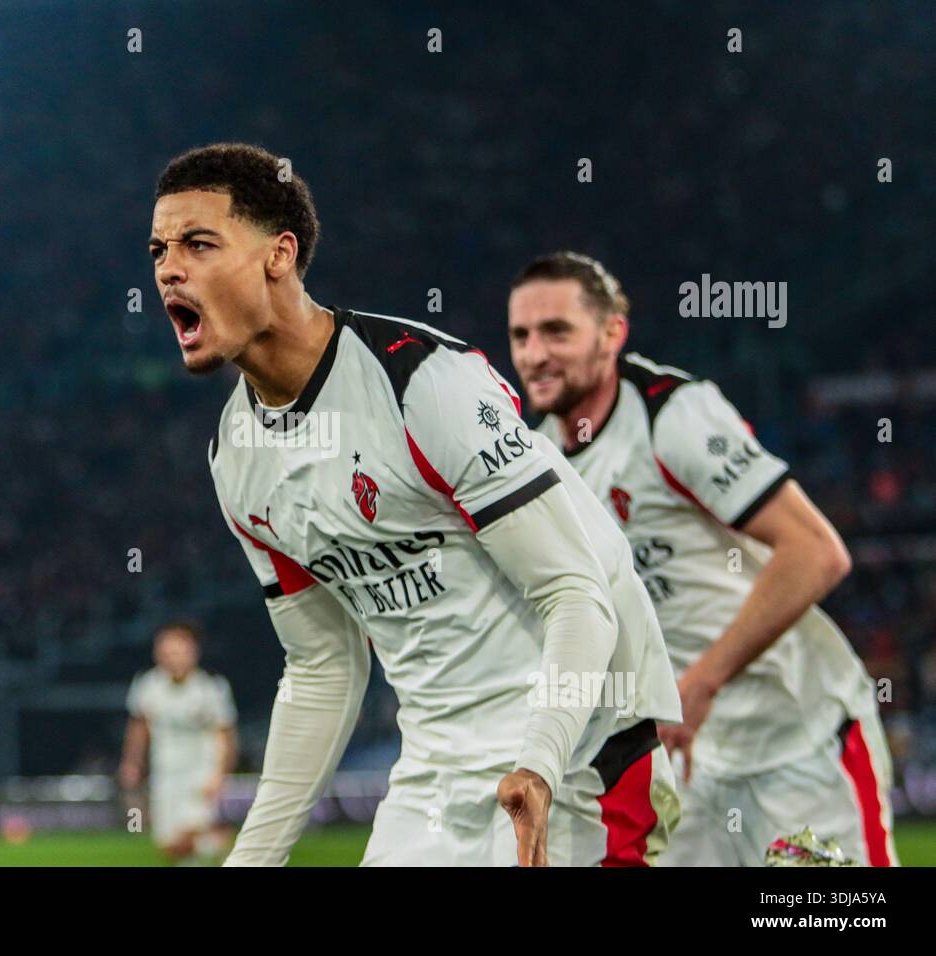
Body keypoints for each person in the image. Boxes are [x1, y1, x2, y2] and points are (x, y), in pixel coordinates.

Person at [148, 143, 681, 866]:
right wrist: (253, 858)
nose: (169, 268)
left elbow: (576, 592)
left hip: (582, 749)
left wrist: (539, 763)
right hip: (436, 774)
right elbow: (323, 666)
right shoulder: (235, 460)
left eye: (198, 244)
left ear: (279, 254)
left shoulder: (423, 382)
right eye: (158, 250)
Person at [507, 251, 896, 866]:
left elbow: (816, 553)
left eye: (557, 331)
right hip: (683, 760)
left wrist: (700, 683)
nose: (534, 354)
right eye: (521, 335)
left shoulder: (673, 416)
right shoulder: (533, 460)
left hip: (797, 740)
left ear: (612, 332)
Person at [119, 620, 237, 864]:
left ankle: (232, 846)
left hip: (200, 772)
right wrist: (132, 763)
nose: (174, 657)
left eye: (180, 650)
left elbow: (226, 735)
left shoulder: (211, 687)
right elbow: (139, 727)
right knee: (169, 847)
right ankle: (219, 841)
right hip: (164, 773)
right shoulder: (148, 685)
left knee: (186, 838)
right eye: (168, 651)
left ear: (193, 652)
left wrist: (220, 775)